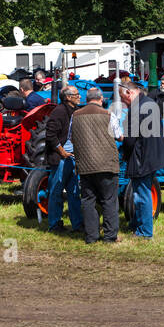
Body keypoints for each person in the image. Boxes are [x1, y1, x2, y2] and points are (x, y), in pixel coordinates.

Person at [120, 81, 164, 240]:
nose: (123, 102)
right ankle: (137, 223)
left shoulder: (136, 108)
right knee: (142, 190)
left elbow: (130, 139)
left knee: (141, 194)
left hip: (142, 156)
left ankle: (145, 232)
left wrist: (123, 148)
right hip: (153, 154)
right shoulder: (150, 102)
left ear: (130, 93)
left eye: (123, 99)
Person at [70, 86, 120, 244]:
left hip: (85, 165)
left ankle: (91, 236)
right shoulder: (108, 114)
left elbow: (71, 137)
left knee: (88, 200)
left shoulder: (75, 115)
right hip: (106, 164)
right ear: (101, 99)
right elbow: (118, 135)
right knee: (109, 200)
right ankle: (110, 236)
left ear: (86, 99)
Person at [43, 85, 82, 233]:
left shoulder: (76, 111)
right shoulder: (58, 112)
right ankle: (54, 224)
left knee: (74, 192)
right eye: (76, 94)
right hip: (60, 159)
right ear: (68, 97)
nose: (79, 96)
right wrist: (62, 152)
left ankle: (77, 224)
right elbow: (50, 135)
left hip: (73, 158)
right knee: (56, 191)